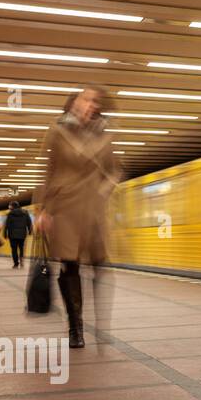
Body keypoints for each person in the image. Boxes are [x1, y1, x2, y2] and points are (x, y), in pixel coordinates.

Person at [35, 87, 121, 349]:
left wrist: (103, 189)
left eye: (95, 101)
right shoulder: (57, 131)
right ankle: (76, 327)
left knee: (100, 267)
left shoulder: (105, 135)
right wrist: (42, 210)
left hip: (94, 210)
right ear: (74, 103)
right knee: (70, 267)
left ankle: (101, 323)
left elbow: (114, 170)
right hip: (65, 209)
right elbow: (47, 172)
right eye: (86, 99)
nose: (90, 104)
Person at [4, 201, 33, 269]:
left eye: (10, 205)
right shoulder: (25, 213)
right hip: (22, 233)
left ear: (12, 206)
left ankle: (16, 263)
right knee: (21, 248)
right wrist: (30, 231)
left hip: (12, 234)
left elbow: (7, 224)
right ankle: (22, 261)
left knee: (14, 249)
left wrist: (5, 233)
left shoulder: (10, 214)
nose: (9, 207)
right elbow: (29, 222)